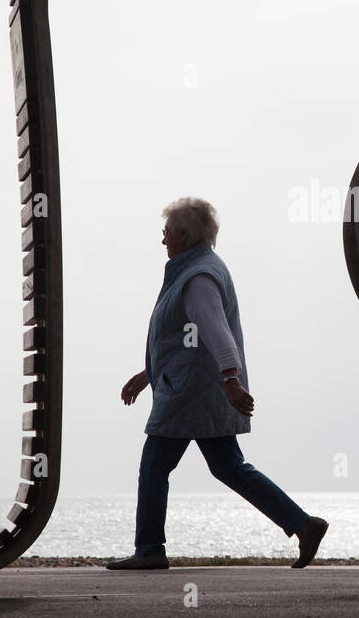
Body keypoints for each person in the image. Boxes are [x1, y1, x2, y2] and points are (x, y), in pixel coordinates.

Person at [108, 197, 328, 570]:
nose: (163, 241)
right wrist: (148, 374)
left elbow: (215, 331)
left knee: (154, 466)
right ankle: (302, 525)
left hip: (188, 392)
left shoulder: (198, 278)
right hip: (192, 386)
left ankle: (149, 549)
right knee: (228, 466)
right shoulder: (195, 270)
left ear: (182, 234)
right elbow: (184, 339)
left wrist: (231, 379)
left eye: (166, 233)